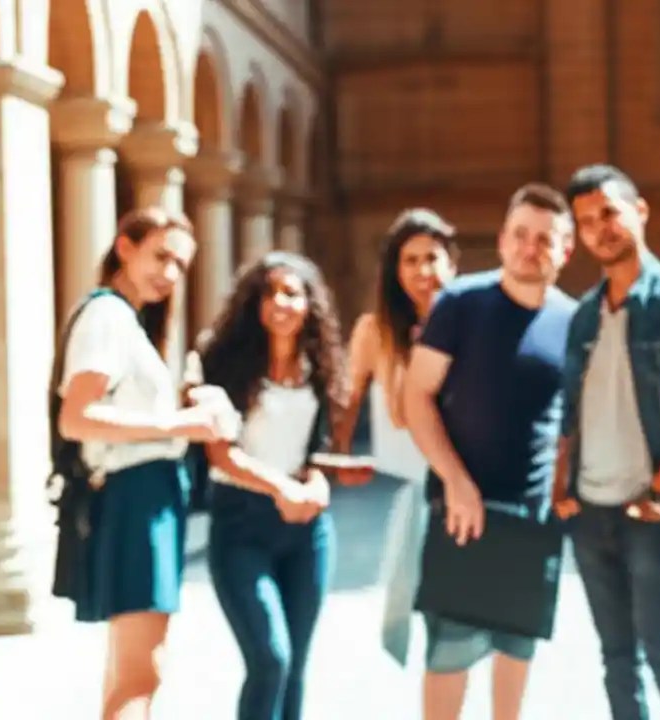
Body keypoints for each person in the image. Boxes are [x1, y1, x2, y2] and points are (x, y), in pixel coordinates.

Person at [551, 164, 660, 720]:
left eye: (607, 212)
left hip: (651, 508)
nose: (597, 228)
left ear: (639, 211)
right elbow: (569, 413)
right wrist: (562, 488)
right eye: (584, 221)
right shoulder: (582, 315)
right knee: (615, 656)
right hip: (589, 509)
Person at [403, 182, 577, 720]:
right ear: (502, 240)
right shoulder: (460, 303)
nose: (531, 247)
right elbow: (417, 396)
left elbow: (572, 421)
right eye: (521, 235)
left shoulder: (575, 320)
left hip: (532, 522)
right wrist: (455, 481)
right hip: (461, 515)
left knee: (514, 667)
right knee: (448, 664)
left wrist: (564, 486)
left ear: (565, 250)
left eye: (545, 239)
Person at [54, 207, 224, 719]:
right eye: (161, 256)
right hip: (135, 496)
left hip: (150, 496)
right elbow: (76, 418)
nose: (169, 274)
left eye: (180, 265)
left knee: (131, 669)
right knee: (139, 673)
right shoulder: (107, 315)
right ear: (125, 247)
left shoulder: (128, 319)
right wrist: (179, 427)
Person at [198, 252, 364, 720]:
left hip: (307, 533)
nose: (280, 303)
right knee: (270, 659)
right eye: (268, 293)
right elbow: (219, 451)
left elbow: (319, 450)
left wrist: (319, 483)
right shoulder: (229, 365)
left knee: (295, 669)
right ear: (253, 305)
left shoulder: (322, 367)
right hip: (240, 524)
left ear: (310, 303)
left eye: (292, 293)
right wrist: (281, 489)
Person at [336, 208, 460, 663]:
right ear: (395, 269)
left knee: (471, 614)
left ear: (452, 263)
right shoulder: (374, 330)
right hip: (413, 481)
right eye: (410, 260)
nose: (423, 271)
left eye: (433, 257)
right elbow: (346, 403)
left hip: (472, 477)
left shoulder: (473, 320)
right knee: (428, 608)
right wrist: (337, 460)